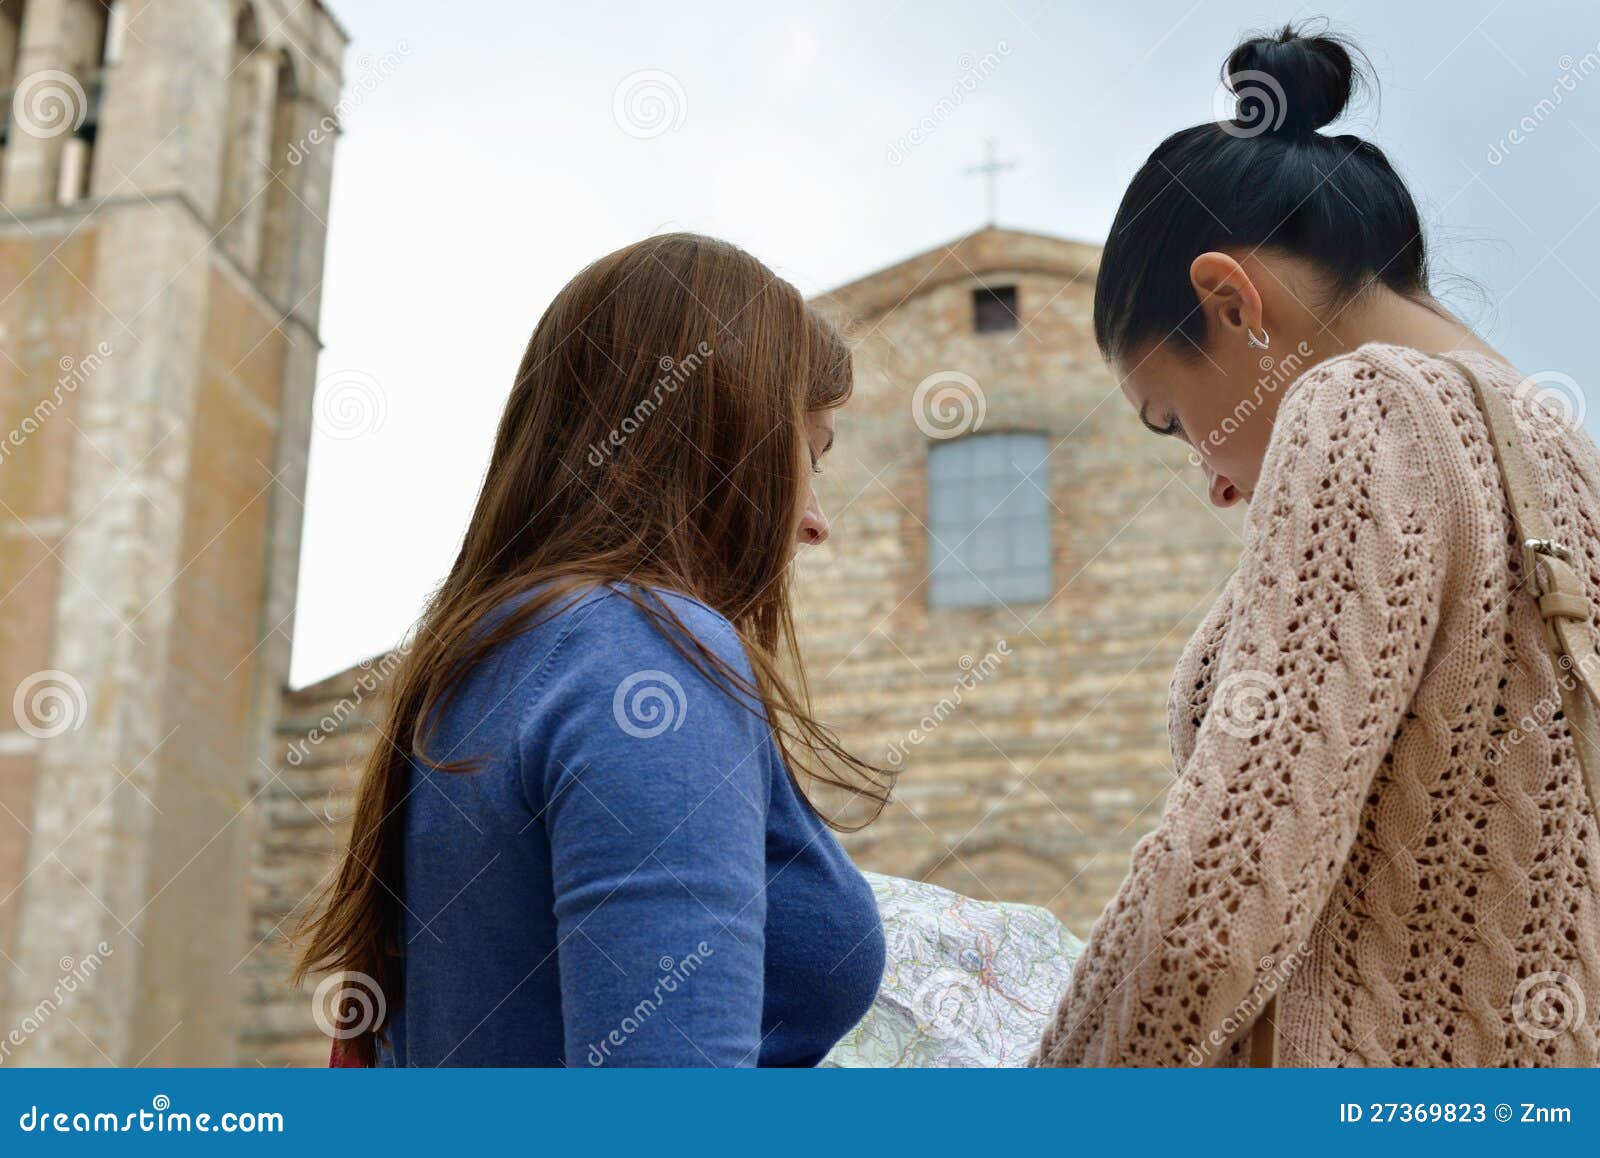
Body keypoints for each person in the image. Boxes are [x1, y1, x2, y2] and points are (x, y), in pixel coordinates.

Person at [1035, 25, 1600, 1066]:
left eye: (1172, 418)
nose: (1211, 480)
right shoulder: (1571, 456)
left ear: (1231, 302)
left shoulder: (1363, 404)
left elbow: (1225, 886)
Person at [295, 233, 891, 1066]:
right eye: (811, 457)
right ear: (727, 434)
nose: (816, 522)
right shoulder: (650, 653)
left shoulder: (480, 659)